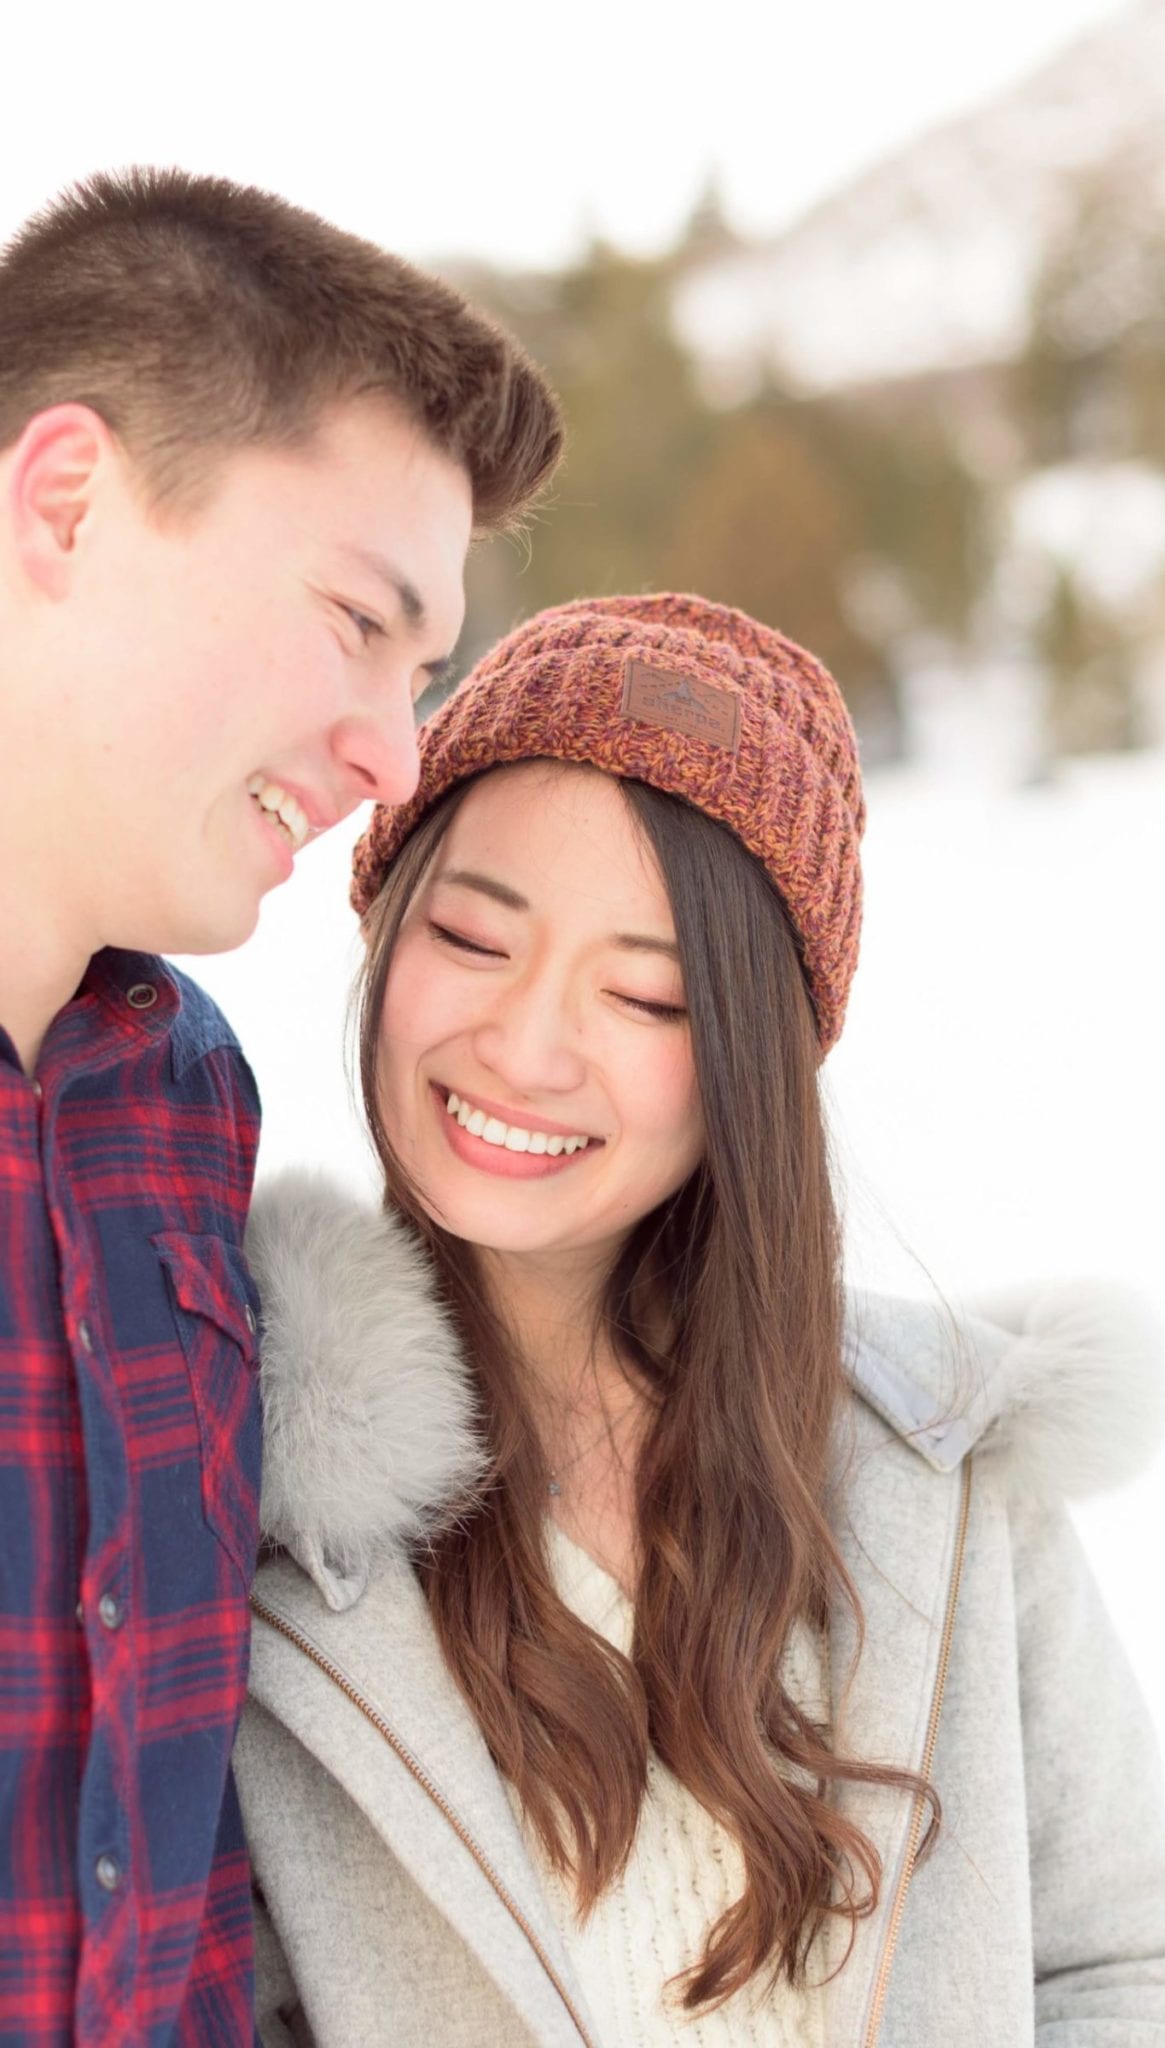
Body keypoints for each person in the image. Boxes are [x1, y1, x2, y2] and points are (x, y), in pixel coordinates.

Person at [237, 593, 1165, 2047]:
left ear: (751, 1063)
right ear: (384, 932)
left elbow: (1119, 1971)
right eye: (469, 934)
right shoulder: (248, 1498)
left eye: (644, 995)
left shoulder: (944, 1468)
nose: (523, 1048)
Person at [0, 168, 561, 2048]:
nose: (396, 755)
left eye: (426, 676)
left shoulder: (179, 1113)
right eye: (354, 623)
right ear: (65, 501)